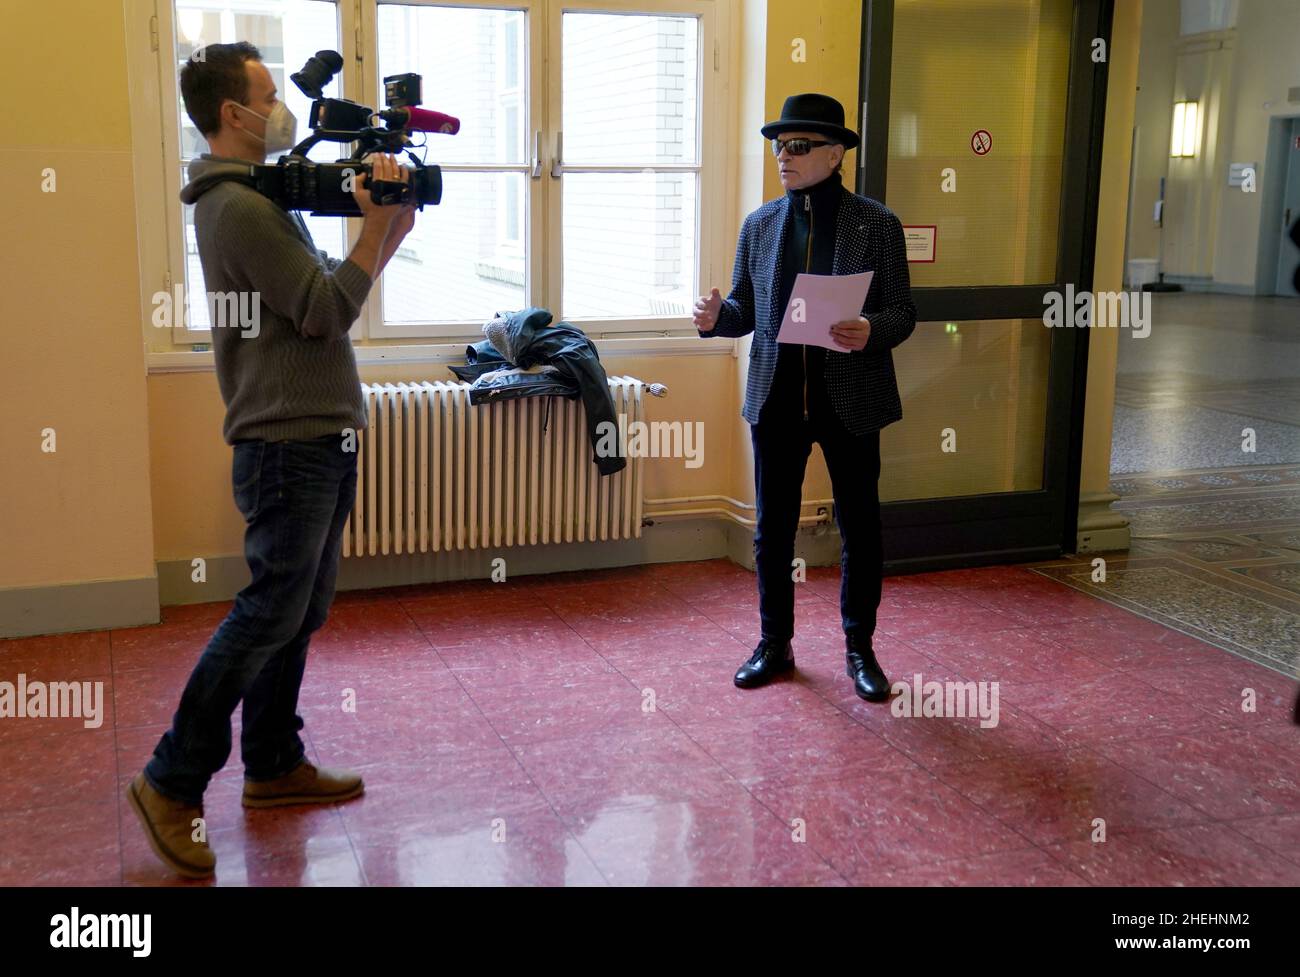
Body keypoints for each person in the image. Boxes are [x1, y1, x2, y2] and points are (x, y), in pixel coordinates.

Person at [126, 41, 417, 879]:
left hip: (313, 432)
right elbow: (327, 311)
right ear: (232, 113)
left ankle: (273, 764)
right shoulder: (240, 210)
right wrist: (372, 231)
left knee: (297, 609)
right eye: (264, 93)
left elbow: (325, 293)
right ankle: (169, 780)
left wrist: (385, 232)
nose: (279, 106)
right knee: (266, 612)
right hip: (288, 441)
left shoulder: (254, 200)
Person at [694, 93, 916, 702]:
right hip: (776, 400)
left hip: (852, 398)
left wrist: (873, 330)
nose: (782, 157)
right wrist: (716, 317)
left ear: (836, 152)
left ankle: (860, 649)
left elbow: (902, 312)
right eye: (777, 146)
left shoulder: (878, 223)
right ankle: (774, 643)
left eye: (798, 146)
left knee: (860, 527)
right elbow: (745, 311)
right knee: (772, 529)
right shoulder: (760, 224)